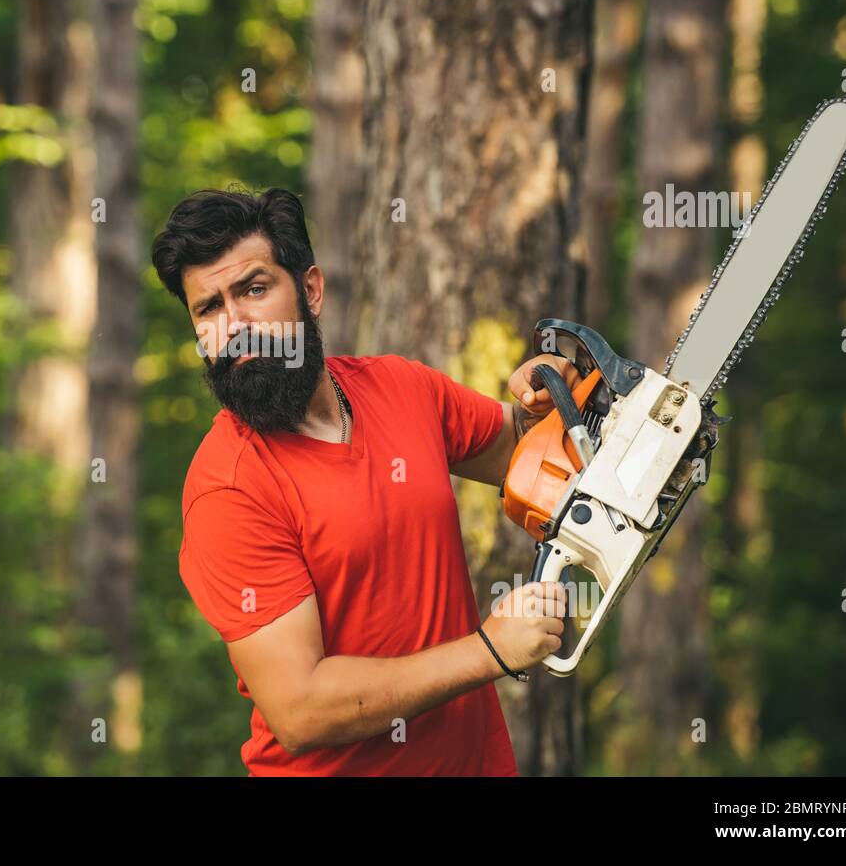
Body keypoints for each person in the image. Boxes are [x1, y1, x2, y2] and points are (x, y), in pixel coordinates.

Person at [150, 186, 578, 775]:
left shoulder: (400, 388)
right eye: (209, 308)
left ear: (310, 289)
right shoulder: (230, 487)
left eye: (253, 289)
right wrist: (488, 652)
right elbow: (299, 710)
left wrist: (553, 396)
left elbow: (534, 460)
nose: (235, 325)